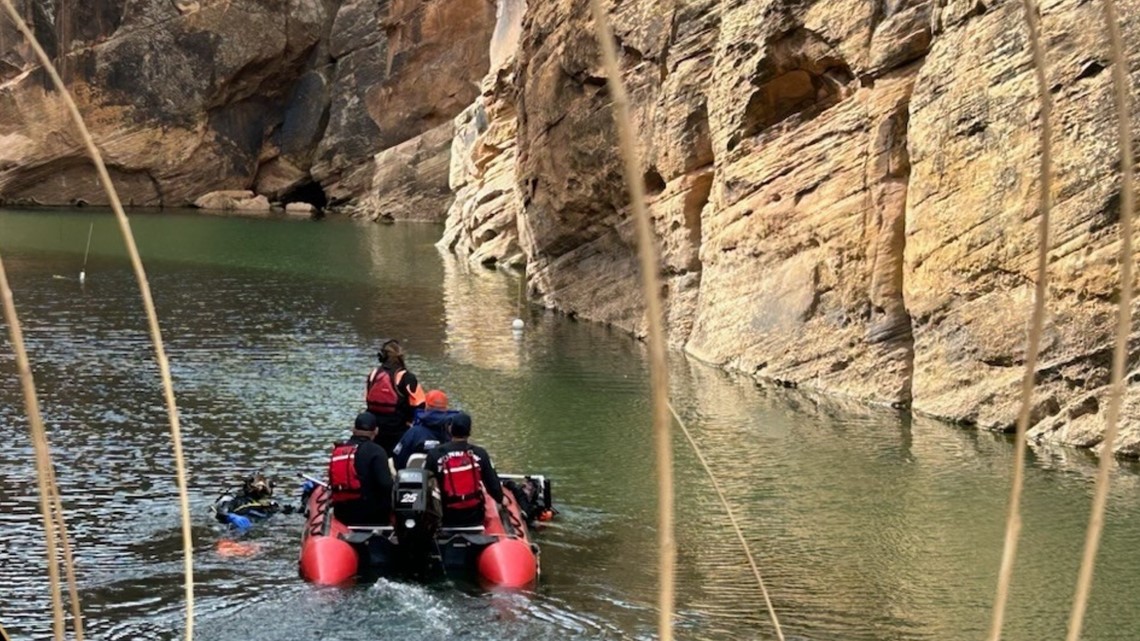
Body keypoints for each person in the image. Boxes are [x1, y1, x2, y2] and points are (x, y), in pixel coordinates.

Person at [424, 412, 503, 528]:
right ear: (469, 431)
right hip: (474, 518)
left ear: (450, 429)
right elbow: (495, 489)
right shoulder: (480, 453)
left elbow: (425, 488)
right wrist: (502, 501)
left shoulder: (435, 454)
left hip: (446, 518)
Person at [328, 412, 394, 526]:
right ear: (376, 431)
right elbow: (386, 485)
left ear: (353, 429)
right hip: (372, 516)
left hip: (342, 514)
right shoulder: (377, 451)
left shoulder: (340, 451)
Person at [365, 339, 426, 454]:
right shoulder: (406, 377)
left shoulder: (373, 374)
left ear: (382, 356)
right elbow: (420, 404)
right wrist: (411, 422)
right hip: (399, 429)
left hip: (375, 430)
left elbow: (368, 399)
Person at [392, 389, 455, 470]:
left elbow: (398, 458)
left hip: (413, 474)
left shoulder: (414, 433)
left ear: (426, 407)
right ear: (445, 409)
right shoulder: (452, 432)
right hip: (442, 474)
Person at [212, 470, 283, 531]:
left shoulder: (271, 505)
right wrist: (232, 517)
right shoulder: (235, 500)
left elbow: (283, 512)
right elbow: (221, 512)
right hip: (233, 528)